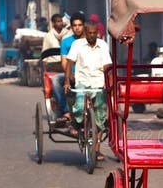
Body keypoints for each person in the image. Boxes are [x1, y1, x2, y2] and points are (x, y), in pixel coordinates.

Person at [63, 20, 112, 160]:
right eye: (89, 33)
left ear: (97, 32)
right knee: (79, 107)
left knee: (100, 117)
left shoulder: (103, 45)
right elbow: (69, 63)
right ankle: (78, 124)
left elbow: (107, 66)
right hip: (82, 83)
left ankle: (96, 150)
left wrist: (110, 84)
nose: (92, 35)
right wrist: (67, 81)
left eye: (94, 33)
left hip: (99, 83)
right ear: (85, 32)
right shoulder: (77, 44)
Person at [42, 13, 71, 125]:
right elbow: (45, 54)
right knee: (55, 86)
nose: (60, 23)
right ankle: (63, 110)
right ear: (53, 23)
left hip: (66, 63)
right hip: (53, 65)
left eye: (61, 21)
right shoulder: (48, 36)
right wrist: (45, 69)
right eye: (57, 22)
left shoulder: (68, 34)